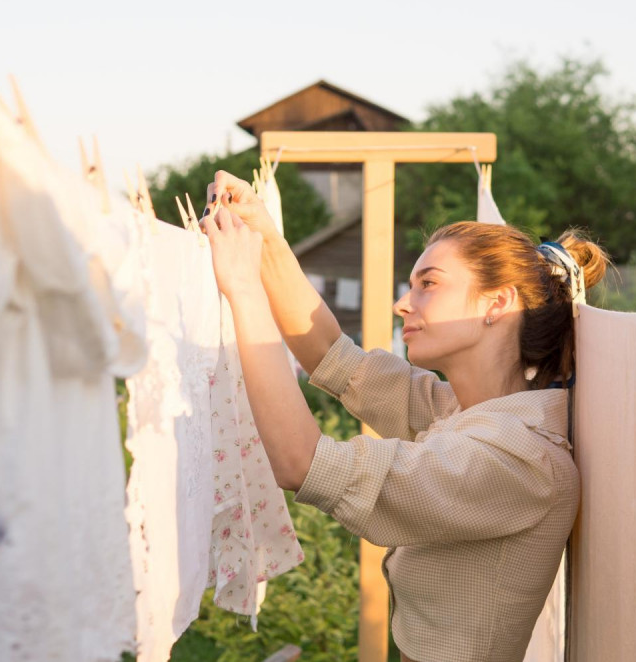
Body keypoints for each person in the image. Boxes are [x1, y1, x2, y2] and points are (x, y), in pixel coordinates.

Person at [200, 170, 607, 662]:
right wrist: (264, 234)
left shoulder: (520, 460)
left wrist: (244, 291)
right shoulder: (466, 412)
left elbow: (301, 463)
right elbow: (332, 356)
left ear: (498, 302)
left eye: (428, 284)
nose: (401, 304)